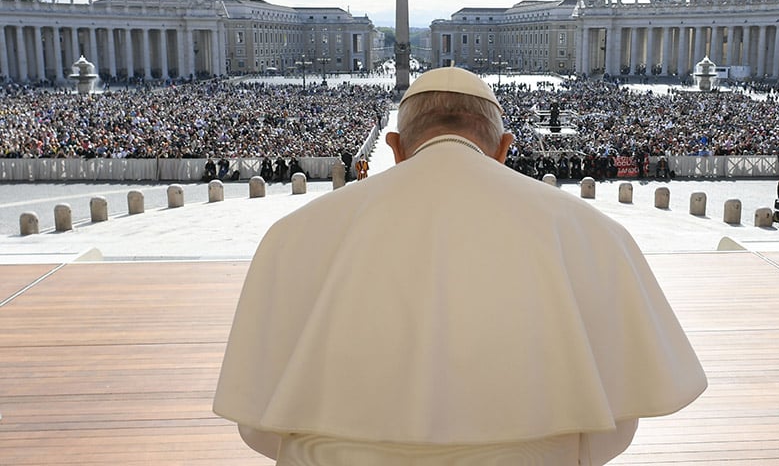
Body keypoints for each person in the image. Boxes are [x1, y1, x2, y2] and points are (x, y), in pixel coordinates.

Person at [213, 67, 707, 466]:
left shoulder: (295, 233)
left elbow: (258, 424)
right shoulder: (589, 230)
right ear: (503, 148)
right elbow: (616, 425)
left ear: (395, 148)